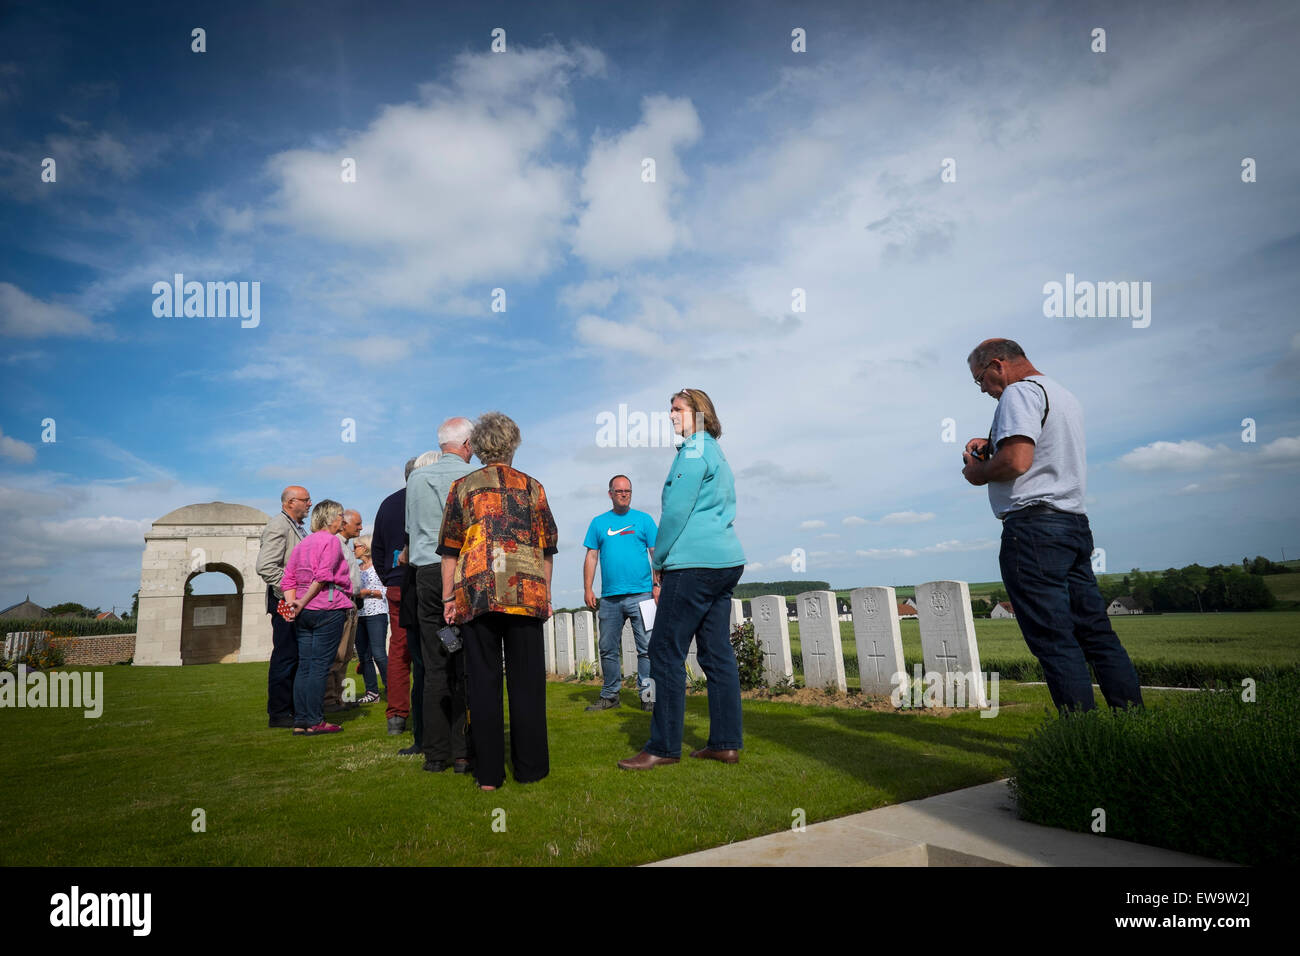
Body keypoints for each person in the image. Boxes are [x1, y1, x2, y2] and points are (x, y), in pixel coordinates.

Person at [961, 338, 1143, 713]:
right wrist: (992, 438)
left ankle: (1081, 738)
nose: (981, 389)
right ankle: (1133, 724)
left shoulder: (1017, 394)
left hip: (1032, 529)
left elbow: (1016, 461)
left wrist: (977, 472)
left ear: (998, 365)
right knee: (1096, 633)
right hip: (1072, 523)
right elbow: (1041, 450)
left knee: (1053, 638)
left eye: (980, 379)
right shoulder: (1061, 394)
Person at [619, 389, 746, 771]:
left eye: (677, 409)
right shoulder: (716, 452)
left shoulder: (692, 451)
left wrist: (658, 557)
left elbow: (676, 510)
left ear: (700, 414)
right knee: (715, 652)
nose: (671, 416)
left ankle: (663, 747)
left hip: (693, 565)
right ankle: (725, 743)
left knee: (664, 652)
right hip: (725, 562)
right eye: (670, 410)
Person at [440, 412, 557, 791]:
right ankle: (531, 768)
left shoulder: (462, 487)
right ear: (512, 444)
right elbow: (547, 547)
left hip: (477, 593)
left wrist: (448, 599)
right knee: (526, 685)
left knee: (484, 684)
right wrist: (547, 594)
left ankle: (489, 774)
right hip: (526, 594)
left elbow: (450, 551)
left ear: (479, 446)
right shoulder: (533, 487)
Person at [407, 419, 476, 773]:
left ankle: (435, 755)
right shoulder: (470, 477)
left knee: (435, 666)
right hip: (461, 573)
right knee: (464, 662)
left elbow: (412, 532)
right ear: (465, 444)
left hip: (428, 577)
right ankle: (463, 751)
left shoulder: (416, 479)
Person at [582, 475, 657, 712]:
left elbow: (656, 554)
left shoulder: (644, 520)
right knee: (607, 648)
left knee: (647, 648)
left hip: (643, 595)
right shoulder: (598, 523)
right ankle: (610, 696)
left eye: (628, 491)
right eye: (619, 491)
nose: (624, 494)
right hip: (610, 598)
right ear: (610, 494)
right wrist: (587, 588)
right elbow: (591, 556)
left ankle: (647, 696)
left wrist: (658, 585)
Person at [281, 499, 353, 735]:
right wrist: (302, 601)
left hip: (304, 613)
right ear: (331, 517)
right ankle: (315, 720)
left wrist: (294, 604)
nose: (343, 520)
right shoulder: (330, 541)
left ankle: (301, 720)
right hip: (327, 608)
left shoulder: (303, 543)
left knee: (305, 666)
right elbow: (323, 576)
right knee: (319, 666)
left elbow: (288, 579)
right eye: (341, 515)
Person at [256, 485, 310, 728]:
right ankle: (279, 713)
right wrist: (291, 594)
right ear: (290, 503)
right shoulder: (279, 525)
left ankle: (291, 708)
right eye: (305, 500)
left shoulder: (296, 527)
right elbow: (266, 566)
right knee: (285, 656)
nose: (310, 504)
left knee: (294, 656)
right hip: (285, 602)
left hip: (293, 602)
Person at [372, 460, 415, 736]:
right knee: (445, 642)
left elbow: (377, 550)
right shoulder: (435, 498)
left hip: (397, 584)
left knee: (399, 651)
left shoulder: (388, 504)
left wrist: (389, 578)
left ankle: (397, 717)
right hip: (429, 582)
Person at [323, 509, 364, 713]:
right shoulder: (335, 543)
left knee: (346, 654)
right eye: (357, 524)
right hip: (340, 601)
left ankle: (339, 696)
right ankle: (329, 699)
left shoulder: (346, 546)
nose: (360, 528)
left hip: (351, 601)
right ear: (344, 524)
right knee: (337, 653)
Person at [352, 534, 388, 704]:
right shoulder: (356, 569)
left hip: (377, 614)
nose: (353, 550)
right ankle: (372, 691)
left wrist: (368, 593)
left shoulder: (379, 567)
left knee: (379, 655)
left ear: (365, 548)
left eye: (356, 547)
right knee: (364, 656)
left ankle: (391, 688)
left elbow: (387, 591)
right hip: (360, 615)